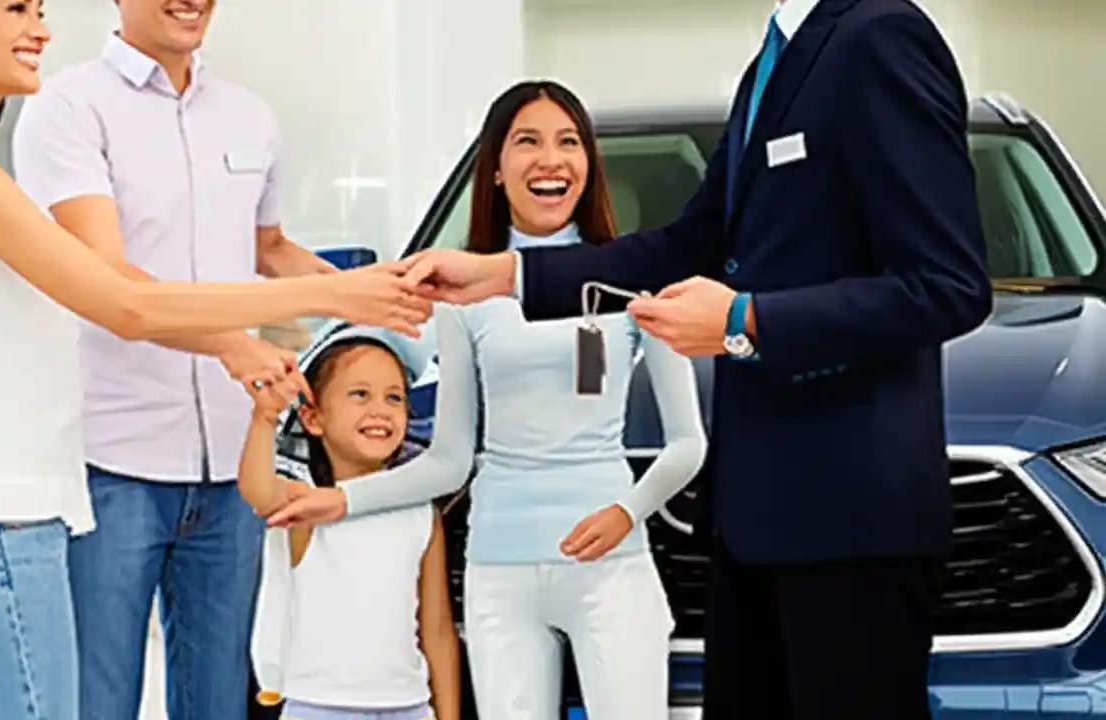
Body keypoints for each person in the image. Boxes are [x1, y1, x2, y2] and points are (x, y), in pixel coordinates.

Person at [281, 0, 996, 717]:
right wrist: (508, 275)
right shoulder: (775, 60)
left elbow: (949, 285)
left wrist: (745, 320)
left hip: (848, 520)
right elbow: (690, 244)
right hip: (750, 529)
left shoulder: (880, 37)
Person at [0, 1, 429, 718]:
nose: (40, 28)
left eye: (39, 9)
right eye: (16, 8)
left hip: (1, 529)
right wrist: (334, 293)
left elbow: (132, 295)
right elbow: (126, 304)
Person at [269, 81, 707, 719]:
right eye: (527, 141)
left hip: (612, 566)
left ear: (588, 163)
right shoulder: (464, 293)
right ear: (496, 168)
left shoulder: (637, 280)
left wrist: (628, 511)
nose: (550, 159)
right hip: (500, 570)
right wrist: (340, 499)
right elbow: (449, 460)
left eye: (568, 142)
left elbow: (688, 443)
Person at [8, 2, 343, 717]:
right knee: (99, 703)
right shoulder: (68, 108)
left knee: (219, 702)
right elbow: (107, 277)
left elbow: (269, 249)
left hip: (235, 468)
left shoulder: (250, 116)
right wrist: (232, 343)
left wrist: (374, 295)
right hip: (111, 462)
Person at [240, 335, 460, 720]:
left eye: (394, 398)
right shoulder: (306, 504)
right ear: (313, 418)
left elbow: (438, 631)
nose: (380, 410)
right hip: (318, 706)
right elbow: (259, 492)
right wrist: (265, 417)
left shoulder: (422, 513)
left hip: (409, 707)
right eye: (360, 394)